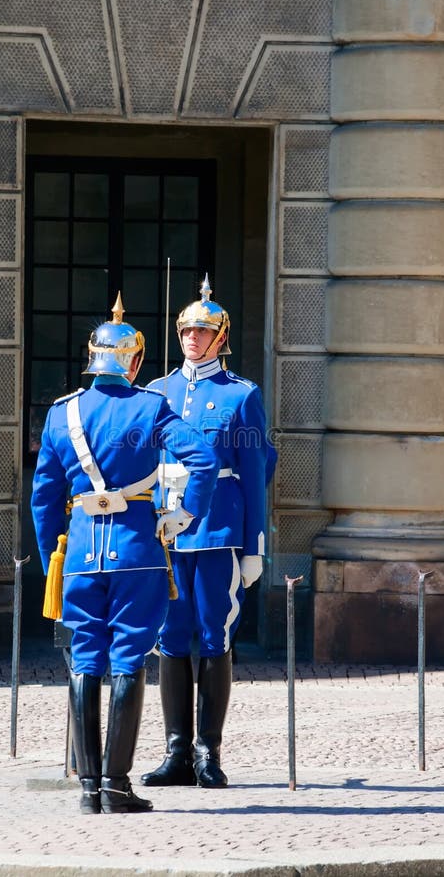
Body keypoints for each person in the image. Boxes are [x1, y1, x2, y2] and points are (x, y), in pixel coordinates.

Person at [31, 293, 218, 815]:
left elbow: (43, 497)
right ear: (133, 362)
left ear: (92, 358)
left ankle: (89, 788)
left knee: (86, 658)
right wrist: (185, 516)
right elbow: (202, 459)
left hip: (83, 551)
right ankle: (116, 784)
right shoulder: (149, 405)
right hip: (138, 550)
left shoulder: (60, 414)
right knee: (129, 660)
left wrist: (53, 559)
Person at [141, 275, 277, 790]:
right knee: (169, 637)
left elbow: (256, 471)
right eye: (186, 332)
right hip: (166, 530)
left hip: (218, 528)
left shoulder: (241, 395)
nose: (193, 340)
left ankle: (207, 752)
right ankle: (175, 751)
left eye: (203, 332)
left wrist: (254, 544)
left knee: (214, 635)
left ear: (221, 337)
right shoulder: (157, 391)